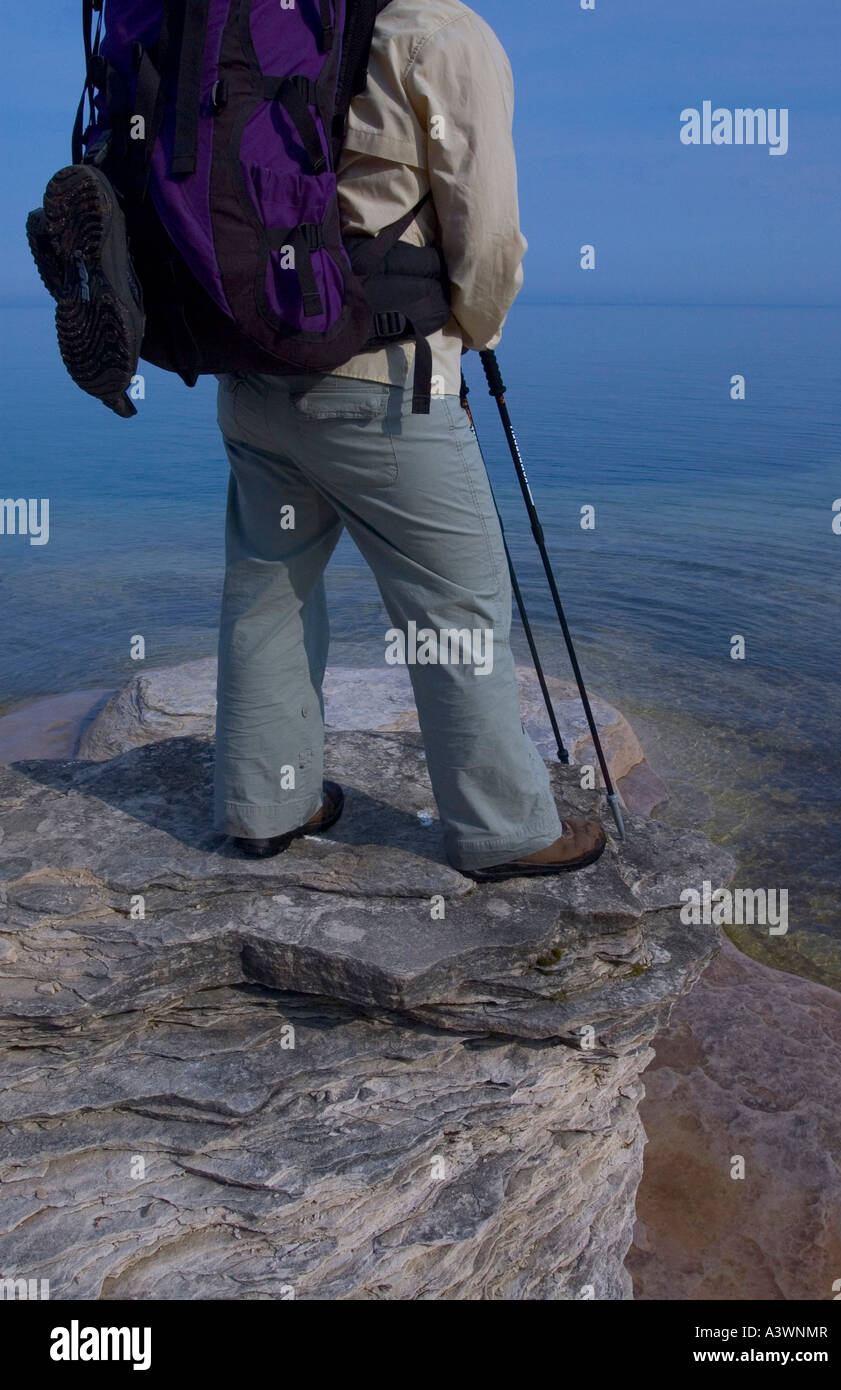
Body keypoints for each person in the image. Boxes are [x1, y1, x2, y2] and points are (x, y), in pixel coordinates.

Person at [209, 0, 607, 883]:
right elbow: (490, 235)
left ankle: (267, 806)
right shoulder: (440, 31)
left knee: (268, 591)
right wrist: (467, 336)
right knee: (458, 606)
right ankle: (506, 830)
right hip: (381, 380)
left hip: (253, 374)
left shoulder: (268, 29)